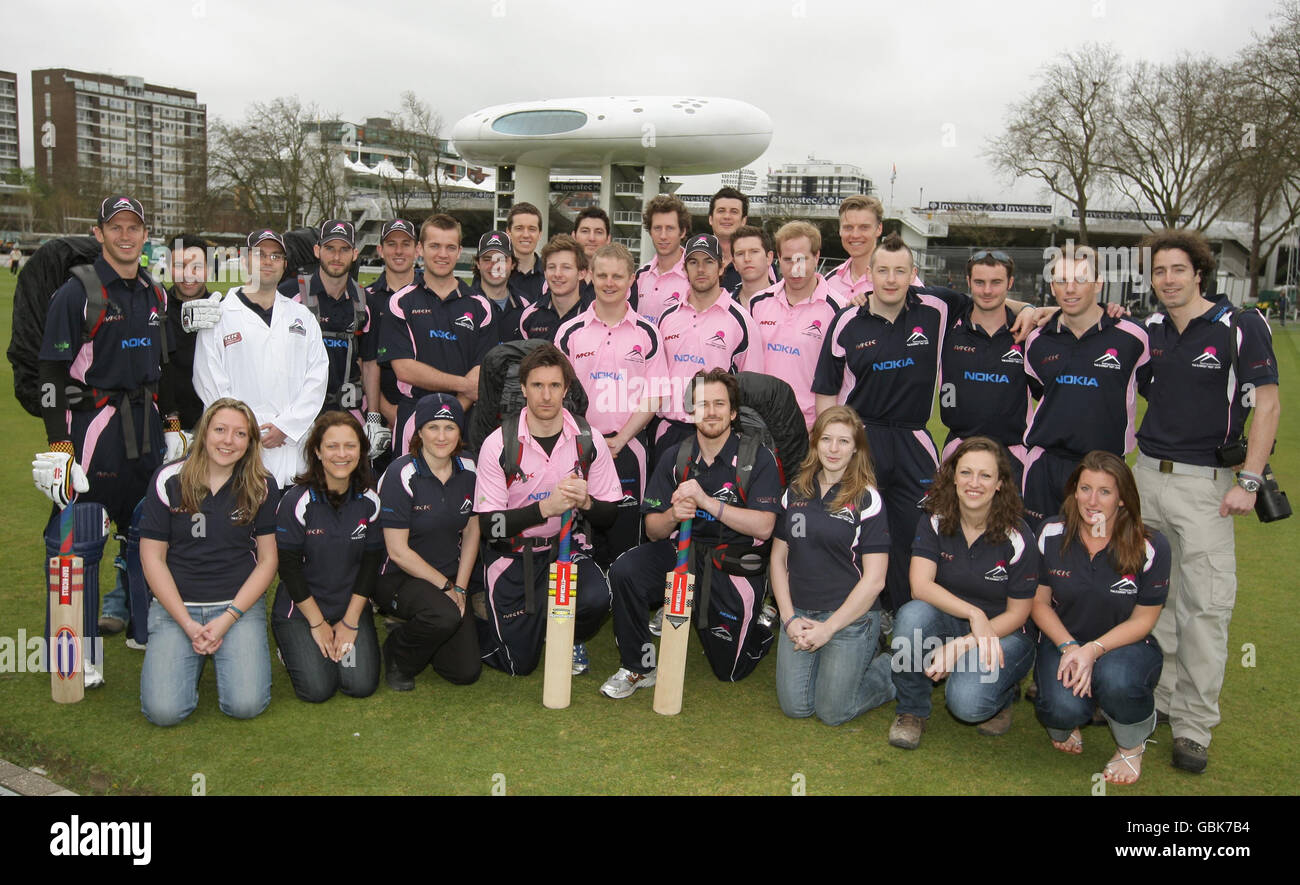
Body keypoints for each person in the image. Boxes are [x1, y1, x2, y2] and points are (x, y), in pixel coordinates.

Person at [1134, 229, 1281, 773]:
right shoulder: (1152, 330)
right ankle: (1164, 701)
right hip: (1146, 477)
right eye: (1158, 272)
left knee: (1205, 610)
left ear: (1199, 272)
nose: (1167, 280)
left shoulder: (1239, 325)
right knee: (1156, 602)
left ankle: (1194, 726)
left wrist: (1249, 480)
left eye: (1177, 270)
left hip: (1207, 487)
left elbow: (1266, 404)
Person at [32, 194, 186, 686]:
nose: (126, 236)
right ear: (99, 233)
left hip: (146, 431)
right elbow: (51, 374)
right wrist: (59, 447)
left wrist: (173, 427)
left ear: (146, 235)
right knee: (77, 542)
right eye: (116, 227)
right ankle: (72, 653)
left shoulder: (156, 294)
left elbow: (163, 372)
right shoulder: (77, 293)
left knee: (149, 534)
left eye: (134, 228)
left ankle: (146, 629)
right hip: (94, 432)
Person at [602, 369, 781, 698]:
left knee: (729, 672)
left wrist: (705, 502)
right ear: (691, 410)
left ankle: (761, 624)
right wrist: (673, 515)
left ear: (733, 412)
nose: (711, 411)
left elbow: (765, 527)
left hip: (732, 561)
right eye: (702, 404)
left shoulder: (759, 457)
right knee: (625, 570)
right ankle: (638, 666)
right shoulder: (675, 455)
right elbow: (654, 530)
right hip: (681, 552)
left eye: (719, 404)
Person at [474, 344, 621, 677]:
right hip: (513, 558)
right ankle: (487, 617)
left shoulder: (589, 439)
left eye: (555, 386)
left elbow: (609, 516)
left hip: (564, 552)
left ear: (566, 389)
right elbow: (490, 527)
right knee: (518, 665)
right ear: (523, 388)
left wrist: (586, 503)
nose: (546, 395)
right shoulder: (498, 444)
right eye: (537, 385)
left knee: (597, 599)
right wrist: (544, 508)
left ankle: (568, 635)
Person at [887, 437, 1039, 750]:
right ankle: (911, 710)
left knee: (967, 704)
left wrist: (964, 644)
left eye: (985, 475)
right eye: (966, 473)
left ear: (999, 483)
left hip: (1004, 632)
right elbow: (920, 585)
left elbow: (1019, 613)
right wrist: (973, 614)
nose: (974, 483)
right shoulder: (935, 519)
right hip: (955, 619)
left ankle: (1003, 692)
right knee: (911, 615)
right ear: (953, 476)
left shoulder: (1018, 534)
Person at [138, 398, 279, 726]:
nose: (228, 441)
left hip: (237, 609)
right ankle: (193, 650)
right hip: (177, 610)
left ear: (250, 443)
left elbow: (268, 560)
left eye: (240, 434)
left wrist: (228, 619)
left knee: (246, 705)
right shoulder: (168, 479)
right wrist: (187, 623)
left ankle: (216, 647)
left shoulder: (261, 485)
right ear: (203, 433)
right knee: (163, 713)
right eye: (220, 430)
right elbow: (152, 557)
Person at [1032, 451, 1170, 785]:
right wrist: (1069, 647)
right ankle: (1075, 713)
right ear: (1073, 491)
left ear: (1122, 499)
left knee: (1118, 679)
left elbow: (1144, 620)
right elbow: (1038, 603)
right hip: (1063, 641)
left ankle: (1132, 743)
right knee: (1060, 712)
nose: (1092, 501)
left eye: (1105, 492)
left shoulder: (1150, 545)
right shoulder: (1051, 532)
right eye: (1085, 489)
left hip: (1124, 646)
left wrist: (1092, 651)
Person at [770, 406, 894, 725]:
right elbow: (778, 558)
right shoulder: (795, 490)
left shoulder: (868, 499)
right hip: (800, 613)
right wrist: (788, 618)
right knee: (795, 707)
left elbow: (876, 580)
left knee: (833, 712)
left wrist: (828, 629)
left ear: (856, 448)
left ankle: (893, 667)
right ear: (815, 443)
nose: (834, 449)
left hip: (850, 619)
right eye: (826, 439)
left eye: (843, 441)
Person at [556, 242, 669, 569]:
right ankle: (583, 606)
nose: (609, 283)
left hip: (628, 447)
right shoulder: (569, 332)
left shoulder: (648, 333)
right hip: (578, 446)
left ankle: (620, 601)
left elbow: (655, 393)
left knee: (625, 540)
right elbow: (558, 393)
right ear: (589, 275)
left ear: (631, 279)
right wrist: (584, 439)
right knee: (577, 537)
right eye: (602, 274)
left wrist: (621, 439)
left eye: (617, 276)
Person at [1021, 245, 1150, 528]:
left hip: (1103, 469)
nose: (1070, 289)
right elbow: (1043, 395)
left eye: (1080, 279)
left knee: (1098, 557)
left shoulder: (1134, 337)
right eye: (1061, 281)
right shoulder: (1037, 340)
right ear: (1052, 286)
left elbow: (1160, 394)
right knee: (1039, 555)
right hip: (1045, 467)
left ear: (1098, 283)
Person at [193, 228, 329, 488]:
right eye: (260, 255)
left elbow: (317, 378)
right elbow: (208, 381)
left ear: (285, 265)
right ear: (245, 261)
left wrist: (286, 427)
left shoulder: (302, 317)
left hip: (292, 450)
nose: (268, 262)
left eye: (276, 256)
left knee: (291, 522)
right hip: (237, 450)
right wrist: (246, 429)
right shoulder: (218, 315)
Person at [272, 411, 383, 702]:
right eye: (332, 446)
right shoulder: (296, 501)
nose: (342, 454)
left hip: (349, 608)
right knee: (318, 690)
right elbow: (289, 569)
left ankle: (334, 640)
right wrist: (318, 624)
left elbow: (370, 565)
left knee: (358, 686)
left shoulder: (370, 501)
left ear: (361, 451)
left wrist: (349, 621)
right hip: (301, 611)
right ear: (317, 451)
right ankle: (291, 647)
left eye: (350, 446)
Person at [375, 394, 482, 689]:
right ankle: (398, 654)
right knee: (443, 615)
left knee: (465, 672)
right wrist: (447, 588)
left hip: (449, 576)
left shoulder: (470, 468)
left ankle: (425, 633)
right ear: (419, 432)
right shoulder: (401, 473)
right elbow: (397, 552)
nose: (441, 436)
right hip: (398, 577)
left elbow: (473, 530)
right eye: (432, 427)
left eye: (449, 428)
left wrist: (460, 586)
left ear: (460, 432)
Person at [378, 214, 498, 454]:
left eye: (450, 247)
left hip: (465, 417)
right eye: (435, 246)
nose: (442, 254)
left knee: (465, 489)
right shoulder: (400, 302)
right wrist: (463, 386)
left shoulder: (481, 306)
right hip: (414, 417)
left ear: (459, 251)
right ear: (420, 249)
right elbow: (404, 369)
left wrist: (452, 412)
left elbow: (480, 372)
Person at [652, 233, 764, 468]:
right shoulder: (667, 317)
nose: (701, 269)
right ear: (684, 268)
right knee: (662, 506)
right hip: (670, 432)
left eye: (708, 261)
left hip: (718, 435)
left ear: (722, 266)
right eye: (693, 262)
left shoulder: (741, 320)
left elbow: (751, 389)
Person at [280, 220, 387, 458]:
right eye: (330, 248)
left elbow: (370, 363)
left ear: (354, 254)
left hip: (349, 412)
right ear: (317, 251)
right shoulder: (290, 294)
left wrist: (373, 418)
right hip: (300, 414)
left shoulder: (366, 302)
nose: (337, 256)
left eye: (344, 249)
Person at [938, 250, 1034, 487]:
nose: (987, 290)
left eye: (996, 282)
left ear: (1010, 283)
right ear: (968, 282)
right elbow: (902, 292)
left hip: (1012, 455)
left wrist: (1030, 309)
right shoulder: (947, 324)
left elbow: (1069, 314)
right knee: (953, 523)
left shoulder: (1029, 333)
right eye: (979, 282)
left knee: (1012, 524)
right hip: (958, 449)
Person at [750, 221, 848, 430]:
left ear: (816, 257)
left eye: (802, 259)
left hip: (810, 428)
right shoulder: (758, 302)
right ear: (776, 259)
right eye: (787, 259)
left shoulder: (838, 307)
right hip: (762, 424)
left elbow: (841, 376)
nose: (795, 268)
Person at [367, 219, 419, 435]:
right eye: (391, 244)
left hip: (427, 411)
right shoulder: (366, 298)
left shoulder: (430, 296)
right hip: (382, 414)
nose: (399, 251)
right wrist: (386, 410)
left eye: (406, 244)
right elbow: (366, 362)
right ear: (380, 250)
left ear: (417, 250)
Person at [824, 195, 919, 304]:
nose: (855, 235)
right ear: (840, 230)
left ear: (879, 229)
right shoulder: (829, 281)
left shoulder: (906, 282)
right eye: (848, 227)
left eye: (864, 227)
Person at [519, 234, 594, 342]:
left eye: (566, 267)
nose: (557, 274)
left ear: (581, 273)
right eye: (551, 267)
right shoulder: (529, 316)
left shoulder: (594, 316)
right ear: (545, 272)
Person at [632, 194, 690, 325]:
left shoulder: (694, 274)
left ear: (682, 232)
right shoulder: (641, 275)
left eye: (670, 228)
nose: (663, 236)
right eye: (657, 228)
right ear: (650, 231)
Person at [472, 230, 530, 344]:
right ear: (478, 263)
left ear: (513, 264)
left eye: (501, 259)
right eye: (487, 259)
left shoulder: (526, 305)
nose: (494, 266)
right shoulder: (464, 303)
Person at [728, 224, 776, 311]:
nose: (747, 259)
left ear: (769, 257)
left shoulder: (786, 303)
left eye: (754, 252)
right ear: (734, 263)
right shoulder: (724, 304)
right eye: (740, 254)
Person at [507, 202, 546, 302]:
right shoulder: (494, 272)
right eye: (519, 228)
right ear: (509, 232)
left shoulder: (550, 274)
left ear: (539, 234)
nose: (526, 235)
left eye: (532, 229)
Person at [573, 206, 612, 275]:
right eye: (585, 231)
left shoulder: (620, 280)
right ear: (574, 236)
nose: (592, 238)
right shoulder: (557, 277)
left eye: (599, 232)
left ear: (608, 239)